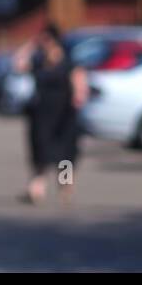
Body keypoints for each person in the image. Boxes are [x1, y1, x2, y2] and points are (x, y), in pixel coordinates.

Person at [12, 24, 88, 204]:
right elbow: (17, 64)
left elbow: (79, 83)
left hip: (64, 114)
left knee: (65, 155)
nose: (44, 44)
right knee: (40, 152)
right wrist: (31, 45)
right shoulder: (38, 61)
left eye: (46, 40)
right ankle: (37, 188)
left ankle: (65, 188)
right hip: (41, 114)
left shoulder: (68, 62)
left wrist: (78, 97)